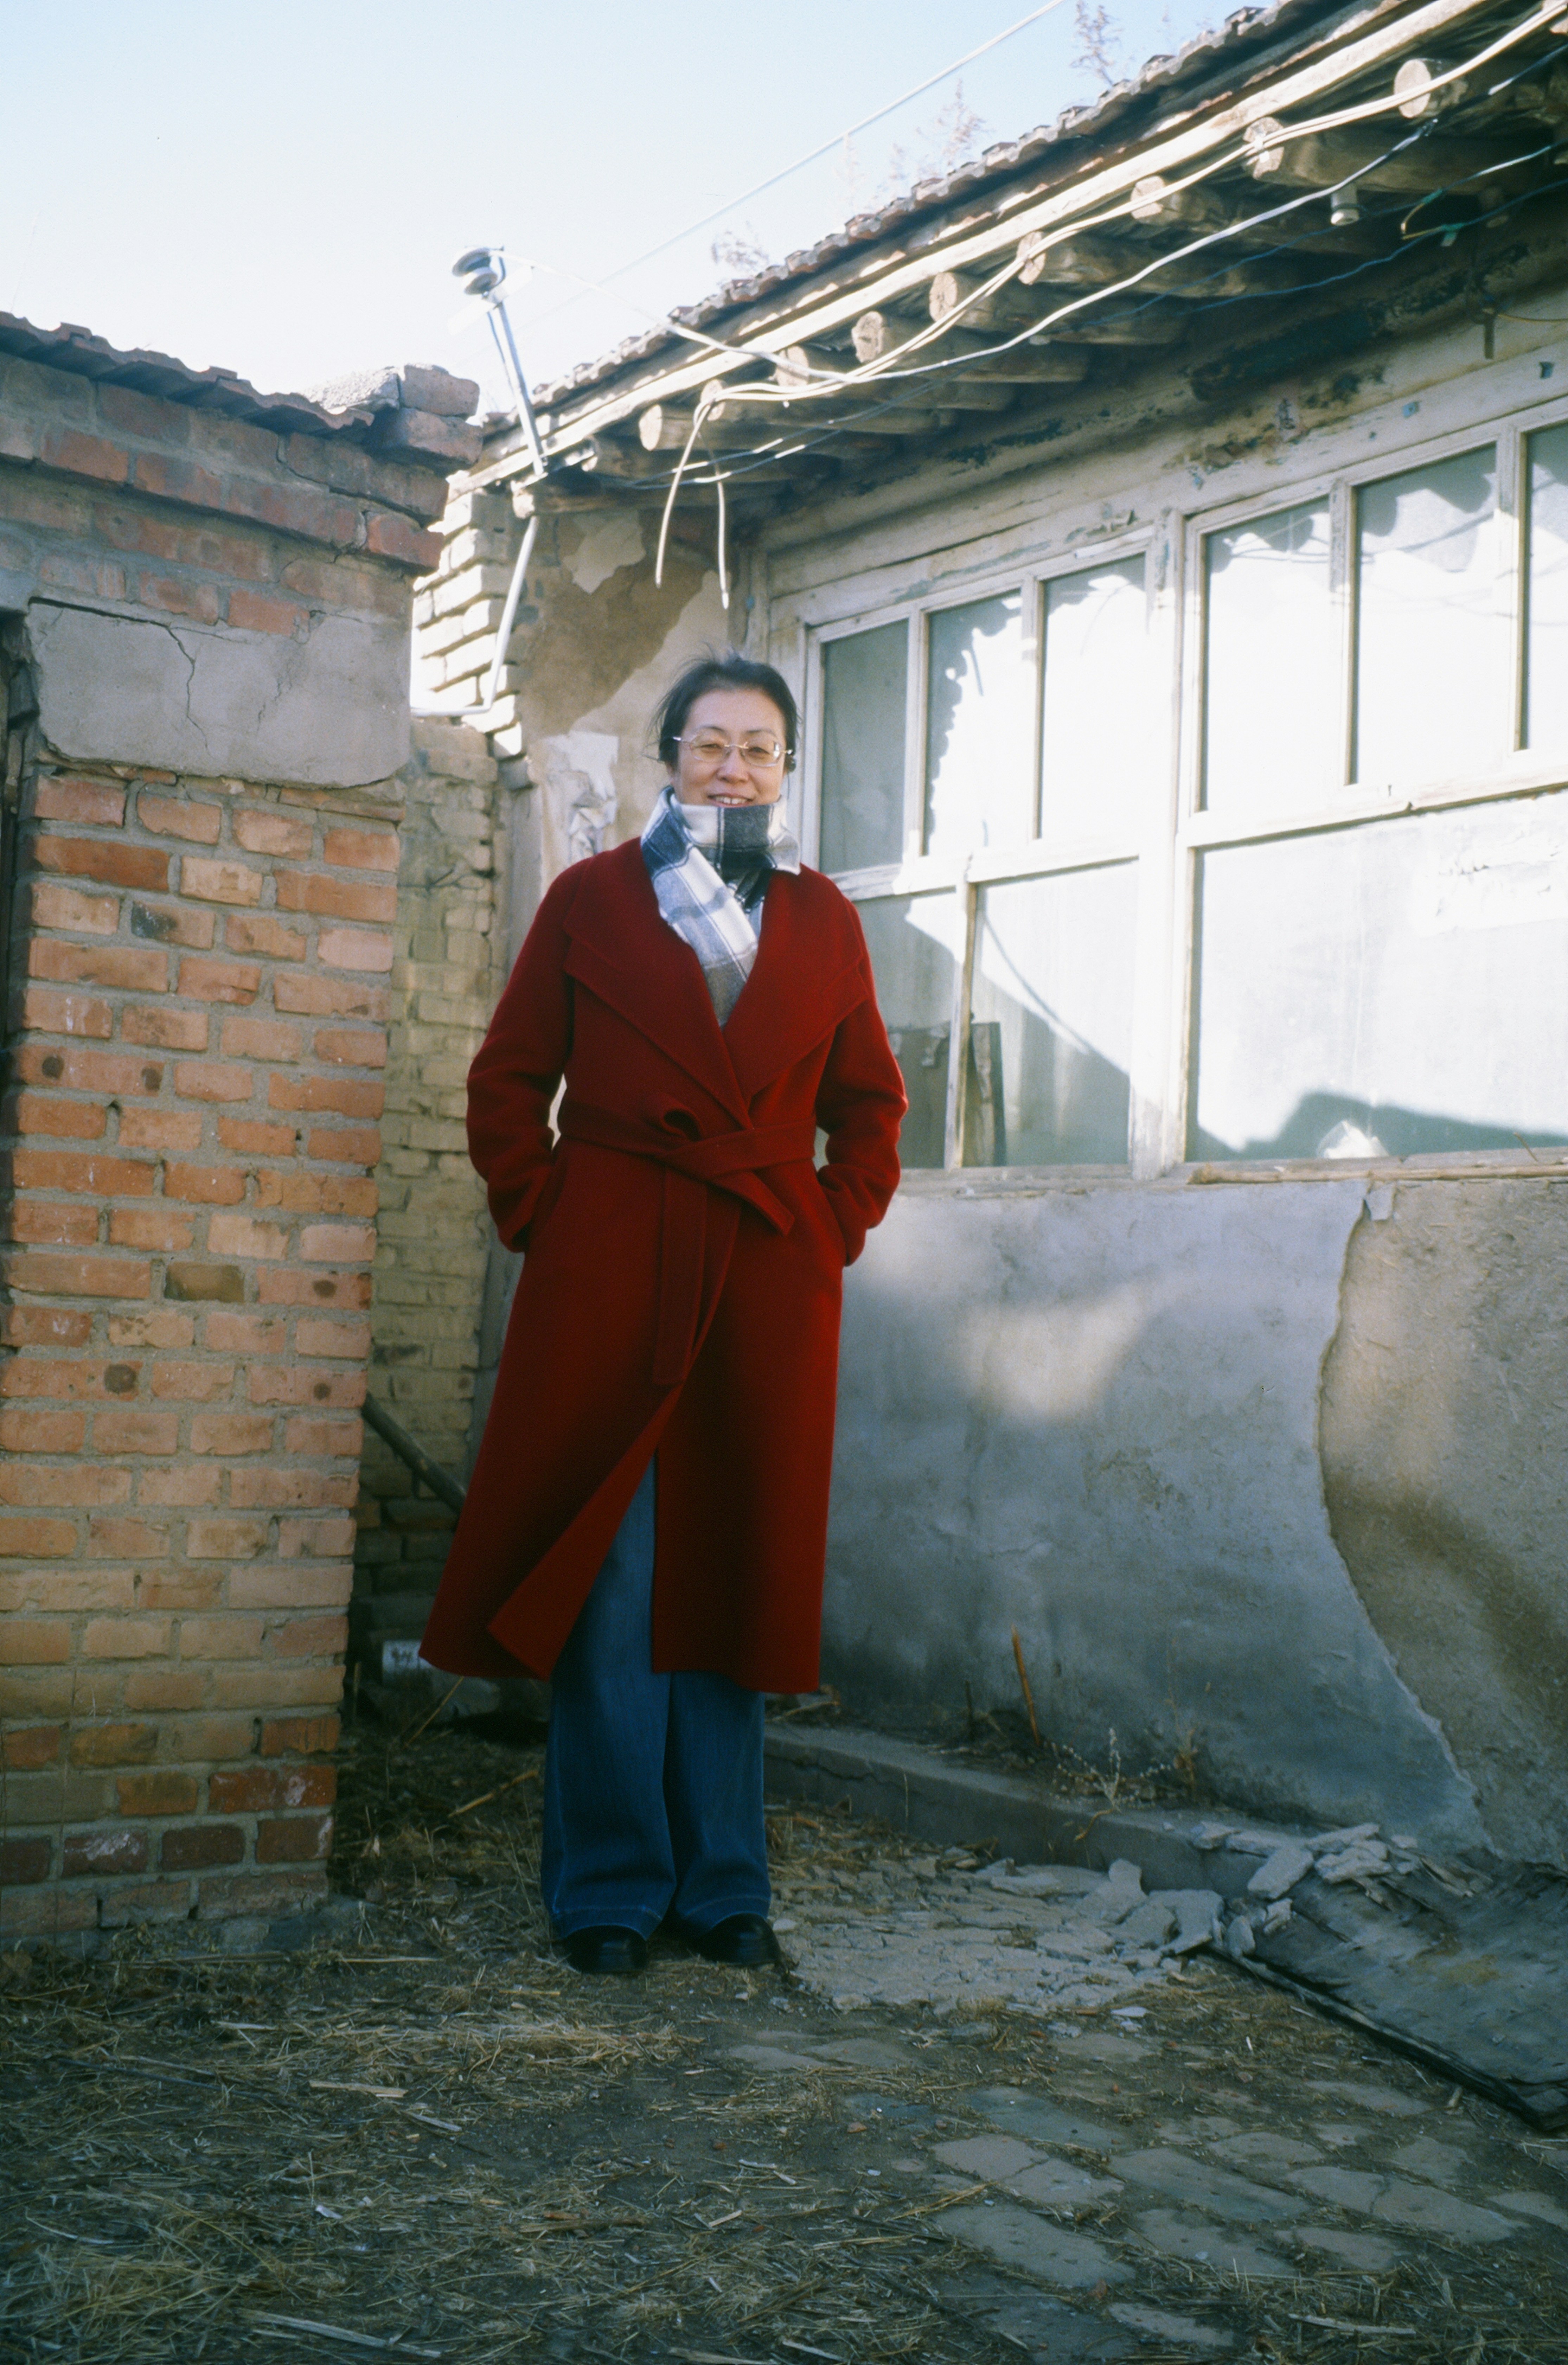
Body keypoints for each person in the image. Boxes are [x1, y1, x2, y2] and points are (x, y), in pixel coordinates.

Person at [419, 650, 907, 1974]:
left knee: (737, 1570)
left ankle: (726, 1888)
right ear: (669, 758)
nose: (731, 765)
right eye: (707, 743)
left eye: (757, 746)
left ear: (785, 768)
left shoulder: (824, 919)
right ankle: (611, 1892)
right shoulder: (592, 899)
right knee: (616, 1581)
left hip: (763, 1277)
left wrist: (828, 1226)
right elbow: (507, 1087)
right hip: (613, 1270)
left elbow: (870, 1105)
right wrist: (555, 1222)